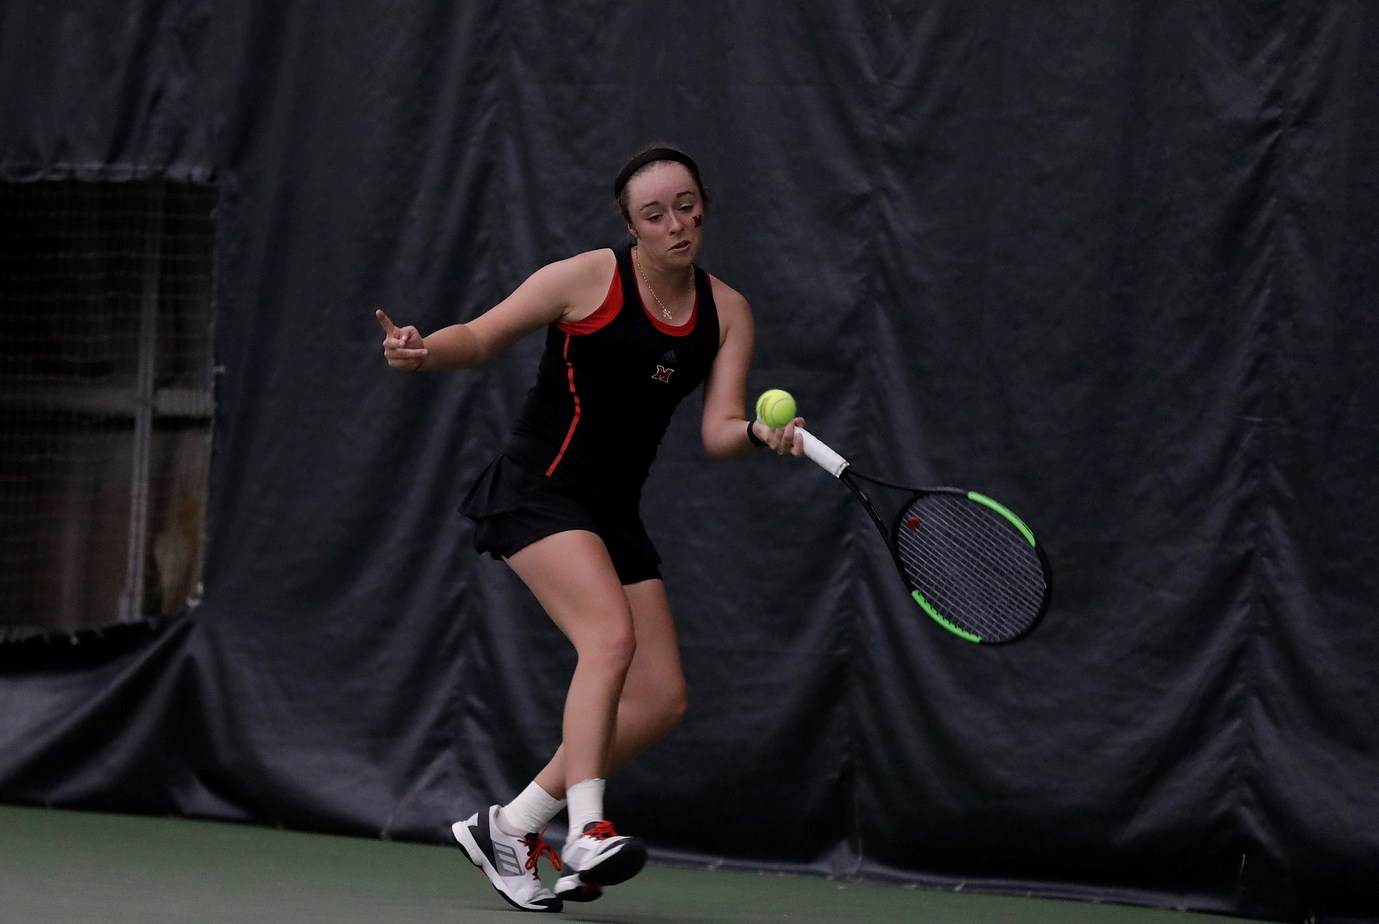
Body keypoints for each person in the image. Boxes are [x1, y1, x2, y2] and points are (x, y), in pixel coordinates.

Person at [376, 145, 803, 913]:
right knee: (608, 640)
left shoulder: (726, 310)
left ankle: (510, 825)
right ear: (631, 227)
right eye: (654, 214)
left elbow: (718, 429)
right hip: (538, 490)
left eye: (685, 205)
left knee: (660, 700)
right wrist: (422, 351)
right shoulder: (585, 279)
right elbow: (478, 336)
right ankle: (584, 831)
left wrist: (761, 437)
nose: (676, 223)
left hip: (611, 511)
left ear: (703, 203)